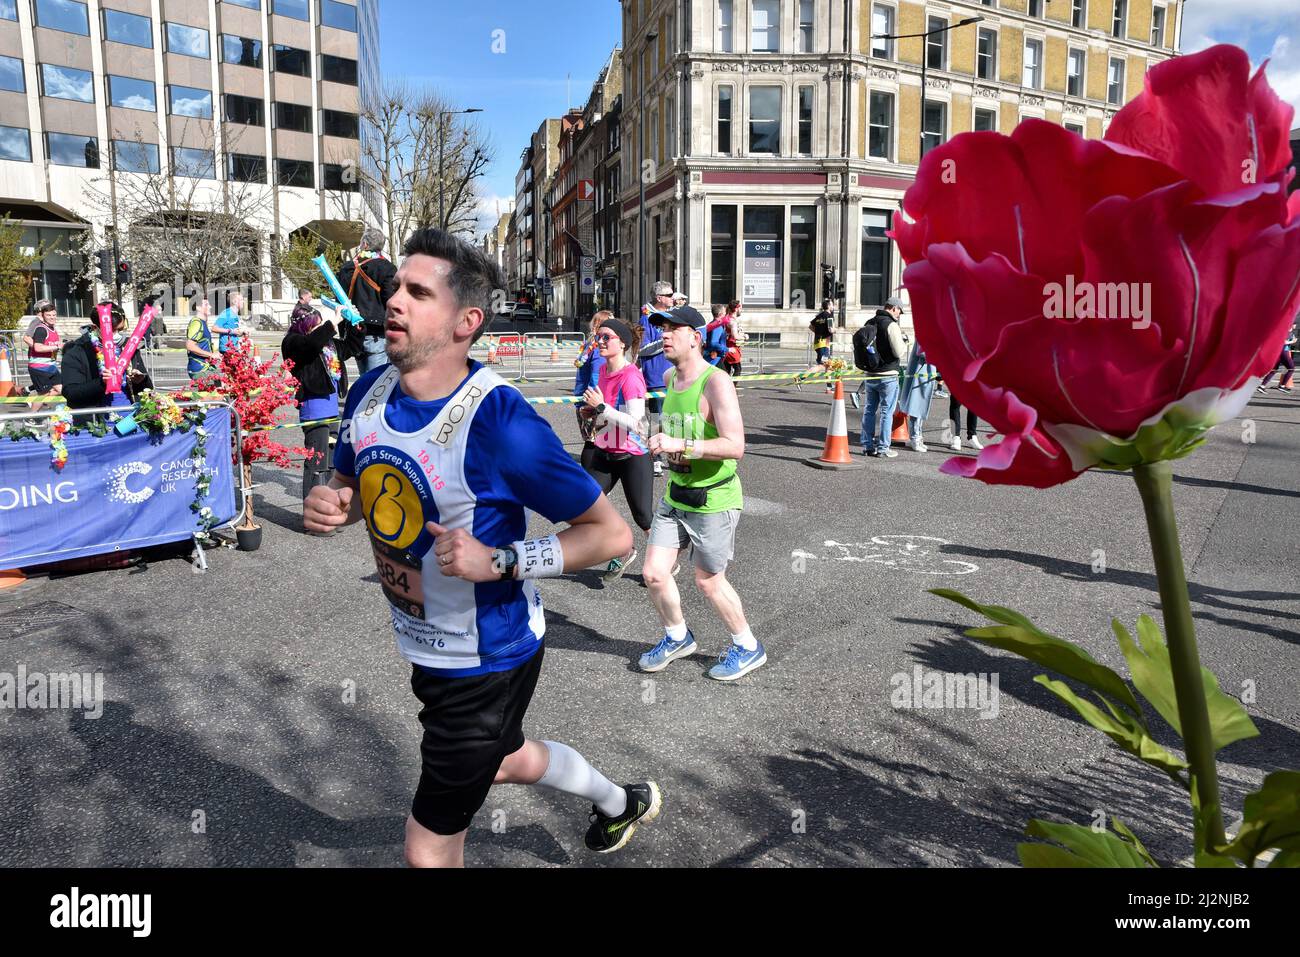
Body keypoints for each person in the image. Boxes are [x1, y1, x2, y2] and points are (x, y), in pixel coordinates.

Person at [303, 228, 660, 866]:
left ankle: (616, 800)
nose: (394, 302)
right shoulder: (370, 392)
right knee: (507, 760)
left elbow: (610, 535)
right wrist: (335, 505)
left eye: (417, 292)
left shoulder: (499, 422)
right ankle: (619, 801)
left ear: (467, 320)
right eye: (394, 289)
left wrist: (501, 561)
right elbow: (358, 489)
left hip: (486, 658)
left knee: (427, 849)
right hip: (425, 646)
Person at [638, 304, 765, 682]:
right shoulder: (666, 376)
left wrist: (681, 443)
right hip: (677, 493)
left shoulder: (716, 382)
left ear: (695, 338)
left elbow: (736, 445)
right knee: (654, 573)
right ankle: (677, 637)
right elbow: (673, 428)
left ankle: (747, 645)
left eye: (673, 329)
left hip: (713, 498)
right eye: (661, 329)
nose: (664, 335)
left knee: (708, 581)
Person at [579, 313, 652, 582]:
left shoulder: (631, 377)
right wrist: (593, 412)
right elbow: (607, 412)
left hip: (632, 455)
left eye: (606, 337)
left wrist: (602, 408)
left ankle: (662, 563)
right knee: (586, 504)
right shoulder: (602, 370)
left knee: (644, 518)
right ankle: (623, 549)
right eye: (598, 336)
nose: (599, 341)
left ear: (621, 343)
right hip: (605, 449)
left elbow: (638, 424)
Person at [281, 305, 340, 501]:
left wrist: (356, 328)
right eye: (316, 325)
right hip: (314, 410)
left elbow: (350, 348)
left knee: (331, 462)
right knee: (317, 462)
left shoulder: (326, 343)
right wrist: (332, 324)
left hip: (331, 408)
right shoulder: (293, 342)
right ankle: (313, 514)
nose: (320, 328)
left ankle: (330, 508)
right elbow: (310, 346)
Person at [62, 301, 152, 412]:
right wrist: (101, 383)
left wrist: (141, 380)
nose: (117, 335)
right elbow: (70, 392)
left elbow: (147, 388)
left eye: (120, 330)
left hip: (130, 415)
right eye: (112, 331)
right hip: (97, 418)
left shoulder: (129, 347)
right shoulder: (77, 351)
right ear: (95, 328)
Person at [337, 227, 398, 376]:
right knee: (375, 384)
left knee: (364, 379)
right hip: (376, 332)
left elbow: (339, 298)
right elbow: (391, 301)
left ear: (364, 244)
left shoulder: (346, 268)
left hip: (353, 330)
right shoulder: (387, 268)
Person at [857, 297, 908, 458]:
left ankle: (867, 446)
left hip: (870, 375)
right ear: (893, 308)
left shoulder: (869, 322)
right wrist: (905, 342)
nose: (899, 314)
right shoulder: (892, 325)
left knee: (869, 410)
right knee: (887, 412)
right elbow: (898, 352)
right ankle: (883, 448)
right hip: (888, 375)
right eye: (899, 311)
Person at [638, 281, 675, 475]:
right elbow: (642, 350)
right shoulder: (646, 319)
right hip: (656, 378)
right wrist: (665, 341)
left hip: (674, 375)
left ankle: (677, 455)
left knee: (676, 418)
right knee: (657, 419)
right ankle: (656, 458)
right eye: (670, 294)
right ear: (659, 298)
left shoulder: (670, 316)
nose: (673, 297)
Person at [898, 338, 939, 453]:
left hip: (925, 372)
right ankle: (915, 438)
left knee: (920, 407)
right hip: (920, 372)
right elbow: (922, 352)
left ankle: (918, 437)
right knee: (916, 406)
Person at [572, 312, 606, 443]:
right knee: (595, 442)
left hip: (582, 398)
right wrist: (592, 403)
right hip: (591, 402)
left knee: (589, 440)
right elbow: (596, 377)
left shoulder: (589, 345)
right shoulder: (598, 349)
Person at [23, 299, 62, 396]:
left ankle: (29, 390)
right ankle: (37, 398)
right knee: (44, 388)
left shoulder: (48, 322)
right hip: (39, 358)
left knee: (53, 386)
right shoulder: (37, 321)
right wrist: (41, 348)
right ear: (41, 310)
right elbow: (26, 338)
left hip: (48, 358)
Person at [186, 298, 221, 380]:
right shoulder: (196, 323)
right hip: (199, 369)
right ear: (198, 307)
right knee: (223, 387)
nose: (210, 306)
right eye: (206, 304)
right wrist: (211, 354)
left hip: (206, 367)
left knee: (222, 387)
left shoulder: (203, 322)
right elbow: (190, 346)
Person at [1258, 318, 1297, 393]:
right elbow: (1282, 342)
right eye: (1294, 324)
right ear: (1291, 325)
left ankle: (1262, 386)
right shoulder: (1286, 332)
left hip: (1279, 352)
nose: (1295, 325)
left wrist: (1291, 342)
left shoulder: (1290, 332)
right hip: (1282, 351)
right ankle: (1282, 386)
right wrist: (1292, 341)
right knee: (1291, 368)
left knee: (1274, 370)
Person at [215, 291, 250, 355]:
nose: (243, 301)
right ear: (234, 302)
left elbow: (234, 331)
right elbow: (214, 328)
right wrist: (232, 331)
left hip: (234, 348)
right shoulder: (226, 313)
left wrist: (242, 332)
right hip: (226, 349)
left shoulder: (235, 315)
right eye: (241, 300)